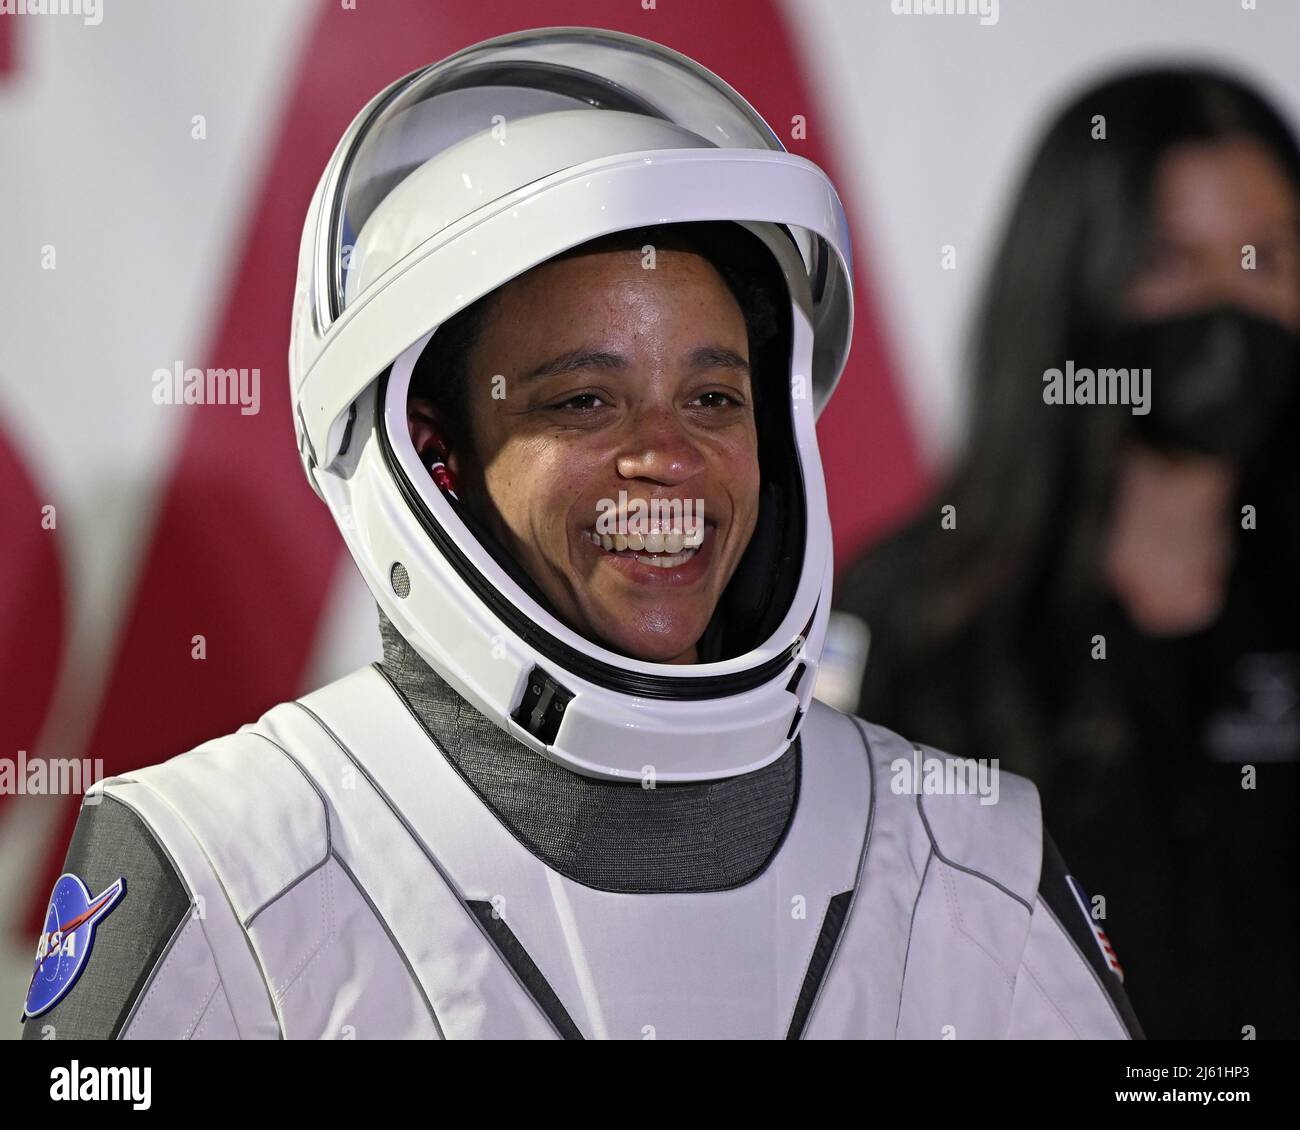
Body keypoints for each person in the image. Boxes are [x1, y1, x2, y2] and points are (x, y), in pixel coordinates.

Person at [21, 27, 1139, 1040]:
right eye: (583, 402)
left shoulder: (977, 859)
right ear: (431, 455)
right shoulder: (218, 866)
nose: (670, 456)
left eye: (712, 398)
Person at [831, 66, 1300, 1039]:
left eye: (1268, 258)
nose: (1230, 306)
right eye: (1172, 260)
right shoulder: (913, 622)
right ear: (1074, 281)